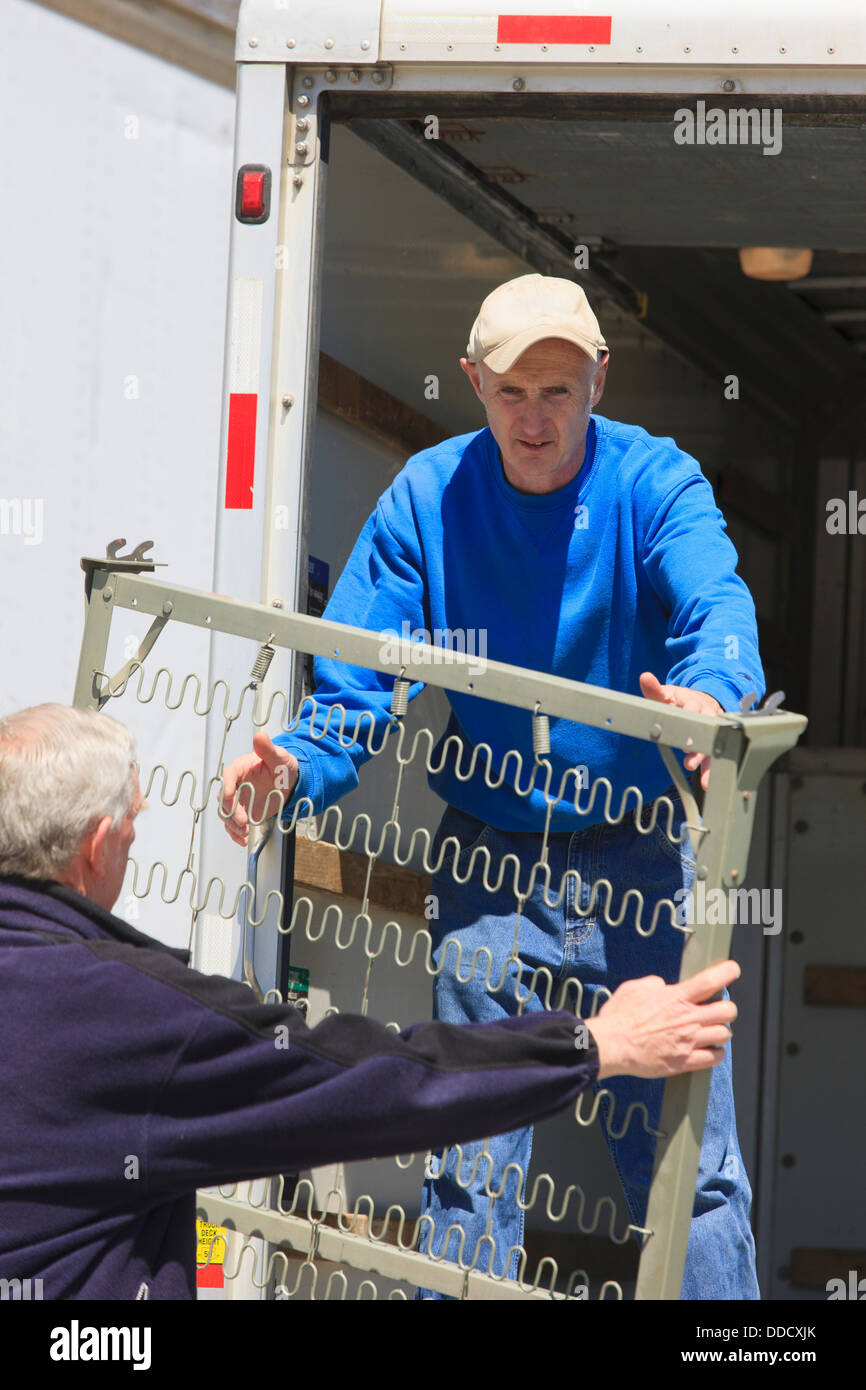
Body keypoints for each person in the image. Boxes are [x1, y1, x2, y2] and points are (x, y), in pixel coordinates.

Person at [220, 274, 765, 1299]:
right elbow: (353, 688)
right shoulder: (425, 501)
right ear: (472, 382)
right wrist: (291, 768)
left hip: (641, 861)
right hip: (488, 864)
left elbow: (714, 604)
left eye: (558, 391)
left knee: (689, 1172)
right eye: (512, 391)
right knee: (465, 1163)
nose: (535, 417)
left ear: (598, 381)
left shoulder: (656, 481)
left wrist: (710, 694)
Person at [0, 703, 739, 1301]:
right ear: (98, 846)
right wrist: (597, 1046)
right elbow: (373, 1081)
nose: (130, 847)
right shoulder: (120, 1010)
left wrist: (304, 762)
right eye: (132, 828)